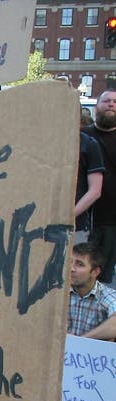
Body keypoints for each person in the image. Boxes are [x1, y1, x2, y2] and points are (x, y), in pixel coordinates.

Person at [85, 90, 116, 282]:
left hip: (112, 221)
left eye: (114, 101)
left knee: (103, 274)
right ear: (97, 106)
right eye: (106, 101)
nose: (111, 104)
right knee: (79, 272)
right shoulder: (83, 135)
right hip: (85, 218)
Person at [66, 242, 116, 339]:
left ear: (95, 272)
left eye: (80, 264)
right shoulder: (58, 292)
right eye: (70, 262)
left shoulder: (105, 295)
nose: (71, 268)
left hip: (88, 353)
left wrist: (81, 340)